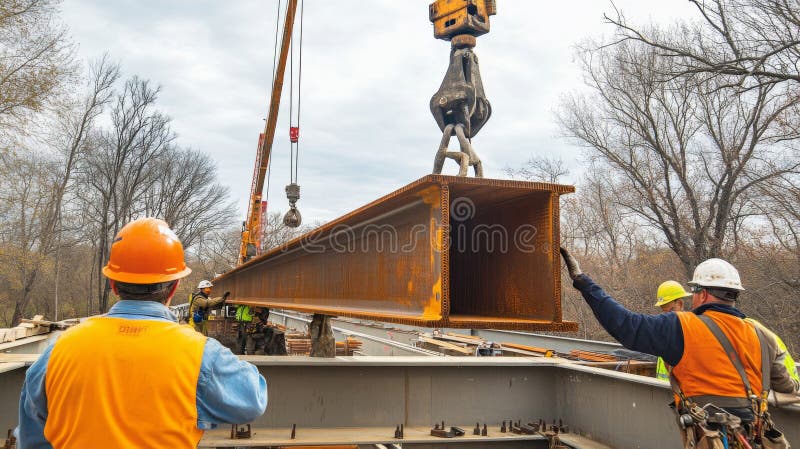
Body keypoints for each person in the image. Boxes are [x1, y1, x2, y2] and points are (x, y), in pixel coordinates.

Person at [17, 218, 267, 449]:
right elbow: (252, 400)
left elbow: (32, 435)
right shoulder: (200, 355)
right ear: (174, 286)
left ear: (113, 284)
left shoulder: (60, 348)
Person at [560, 248, 798, 446]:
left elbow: (626, 325)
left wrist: (583, 281)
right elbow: (787, 385)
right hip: (753, 437)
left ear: (702, 294)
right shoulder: (762, 334)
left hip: (712, 437)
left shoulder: (681, 327)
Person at [653, 280, 692, 381]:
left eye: (670, 310)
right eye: (664, 311)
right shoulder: (665, 329)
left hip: (679, 392)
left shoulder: (689, 330)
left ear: (680, 303)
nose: (667, 316)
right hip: (662, 389)